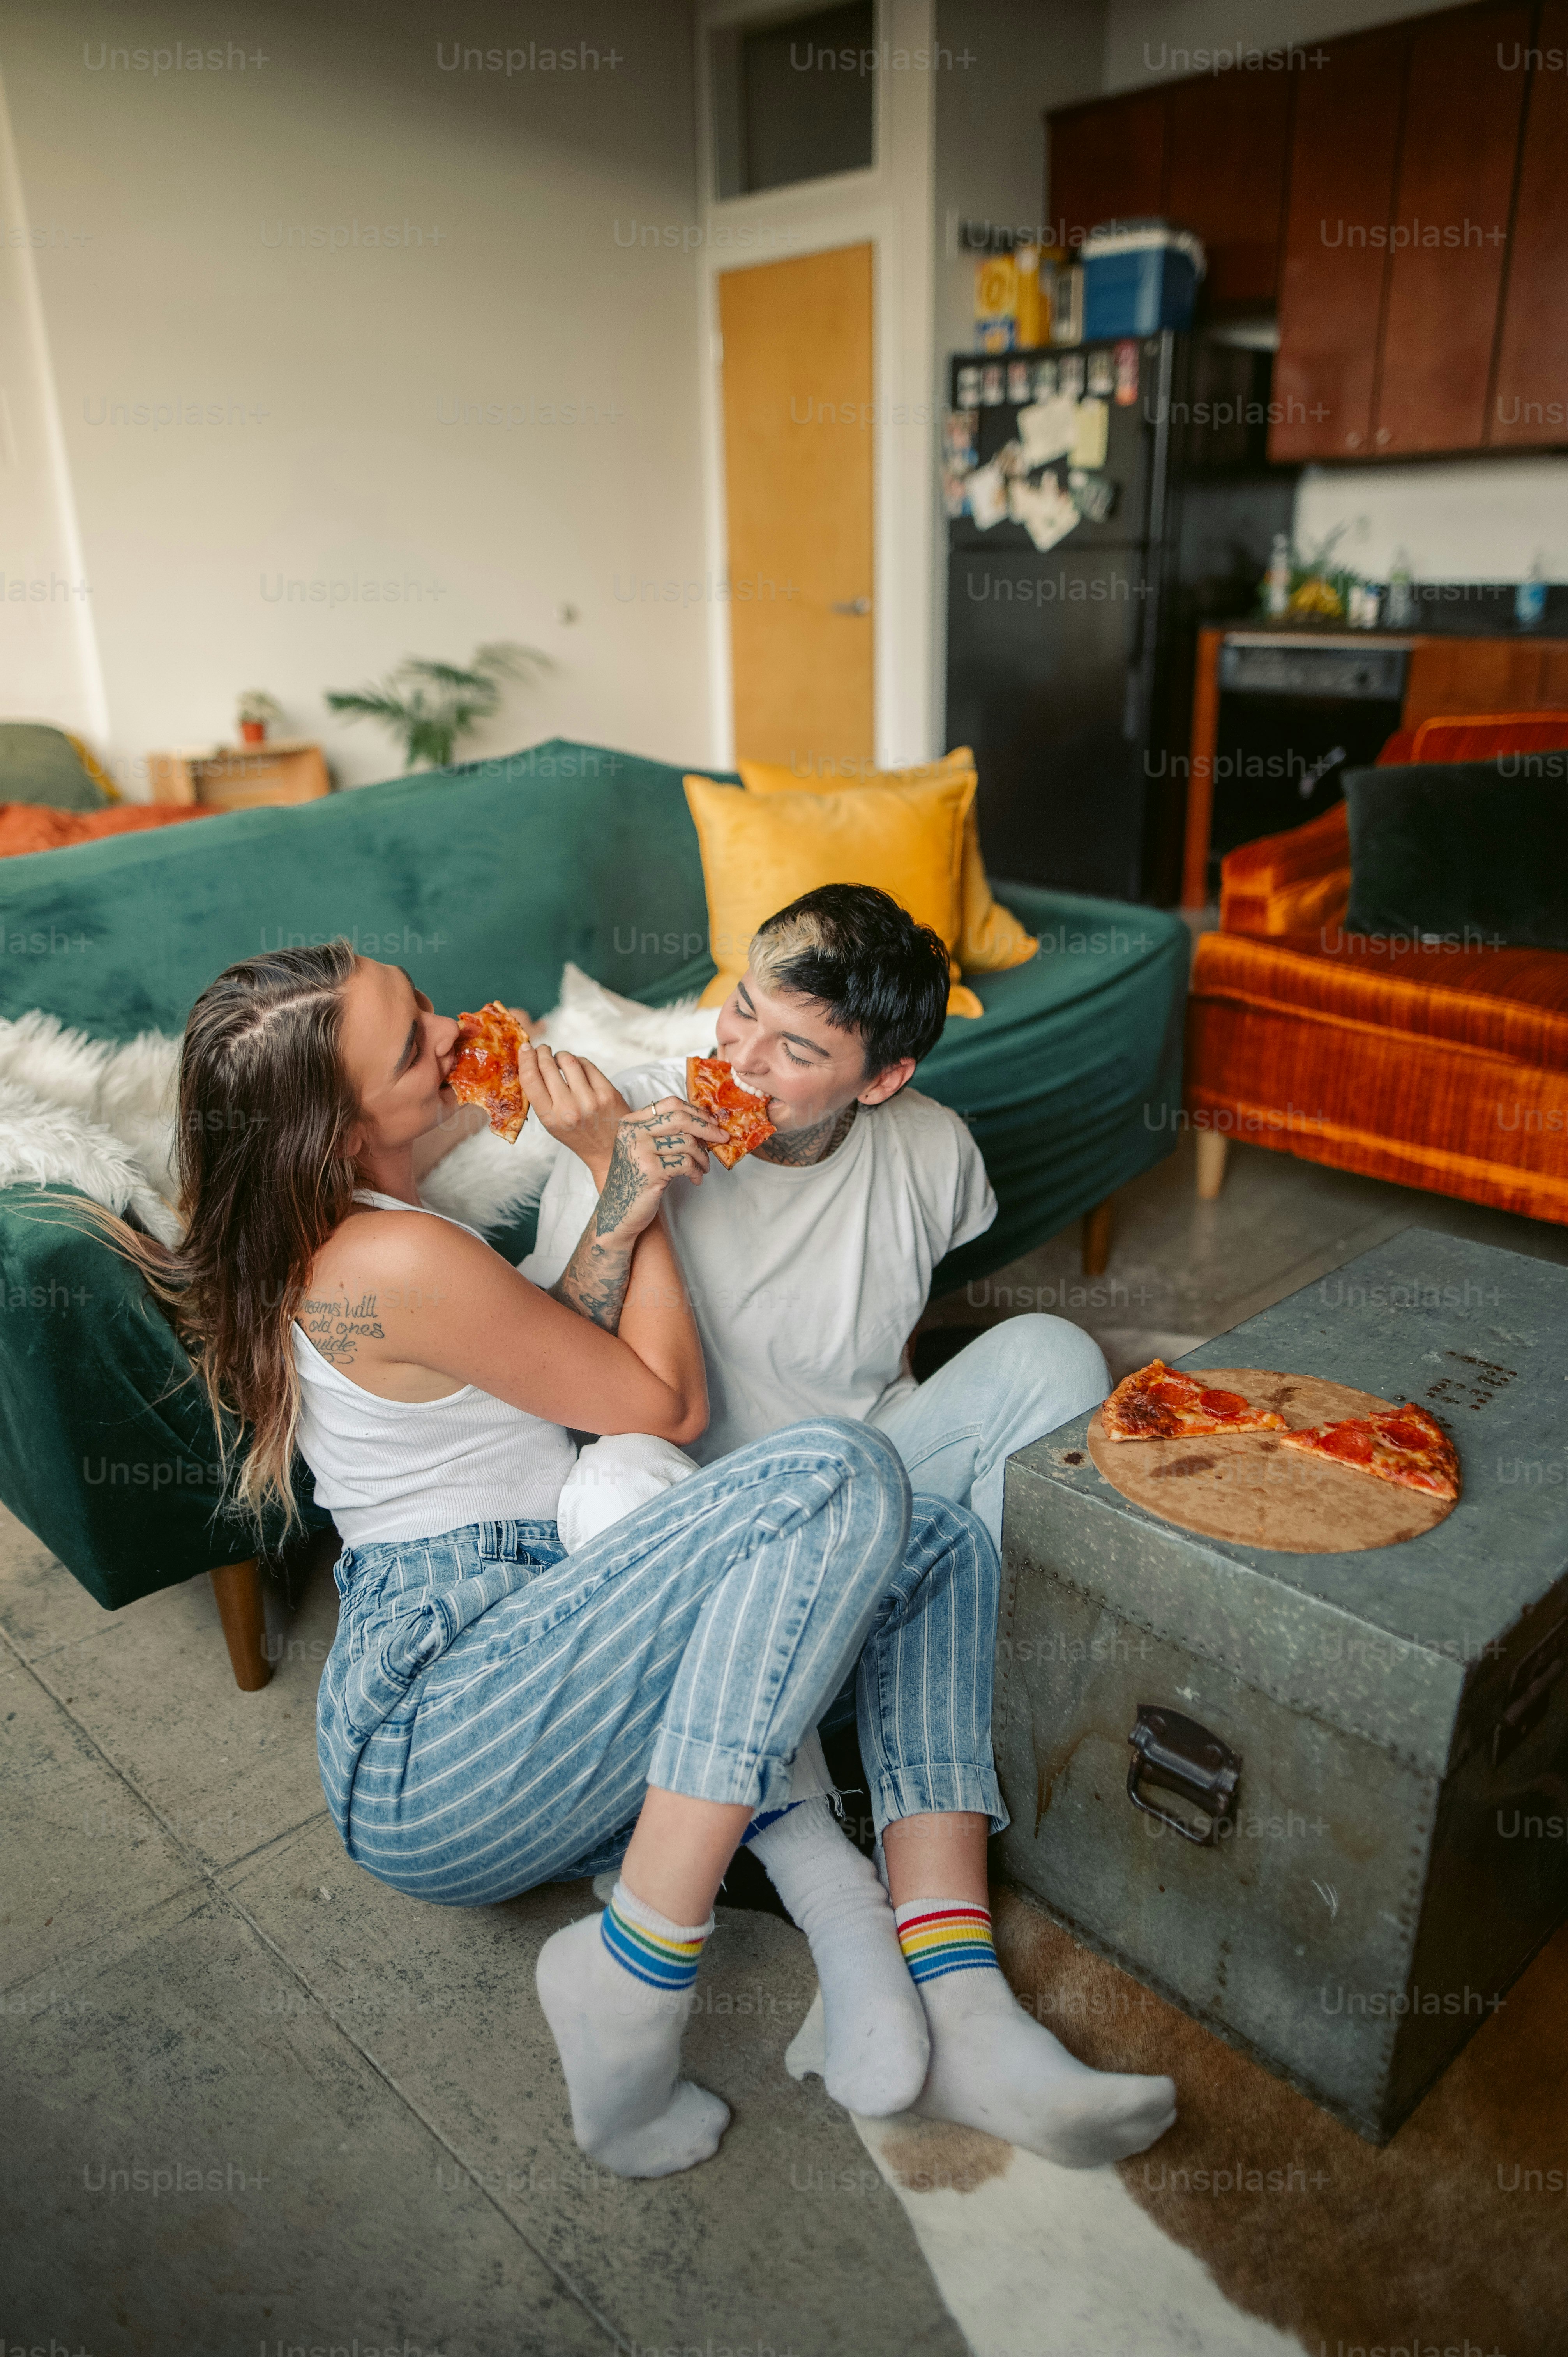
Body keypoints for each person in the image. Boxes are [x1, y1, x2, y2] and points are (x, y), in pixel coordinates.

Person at [101, 939, 1174, 2181]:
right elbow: (659, 1404)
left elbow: (550, 1338)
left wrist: (619, 1197)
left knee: (928, 1541)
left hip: (539, 1667)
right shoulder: (392, 1264)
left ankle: (963, 1994)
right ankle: (638, 1966)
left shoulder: (382, 1233)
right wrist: (623, 1167)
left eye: (427, 1004)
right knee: (839, 1471)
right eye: (415, 1046)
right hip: (442, 1734)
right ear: (336, 1132)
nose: (459, 1032)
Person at [524, 882, 1111, 1552]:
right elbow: (557, 1363)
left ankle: (987, 1621)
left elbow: (903, 1315)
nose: (741, 1059)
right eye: (743, 1009)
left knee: (1056, 1352)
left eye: (797, 1052)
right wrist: (618, 1211)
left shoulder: (938, 1145)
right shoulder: (625, 1119)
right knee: (610, 1481)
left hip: (875, 1470)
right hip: (705, 1501)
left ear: (883, 1081)